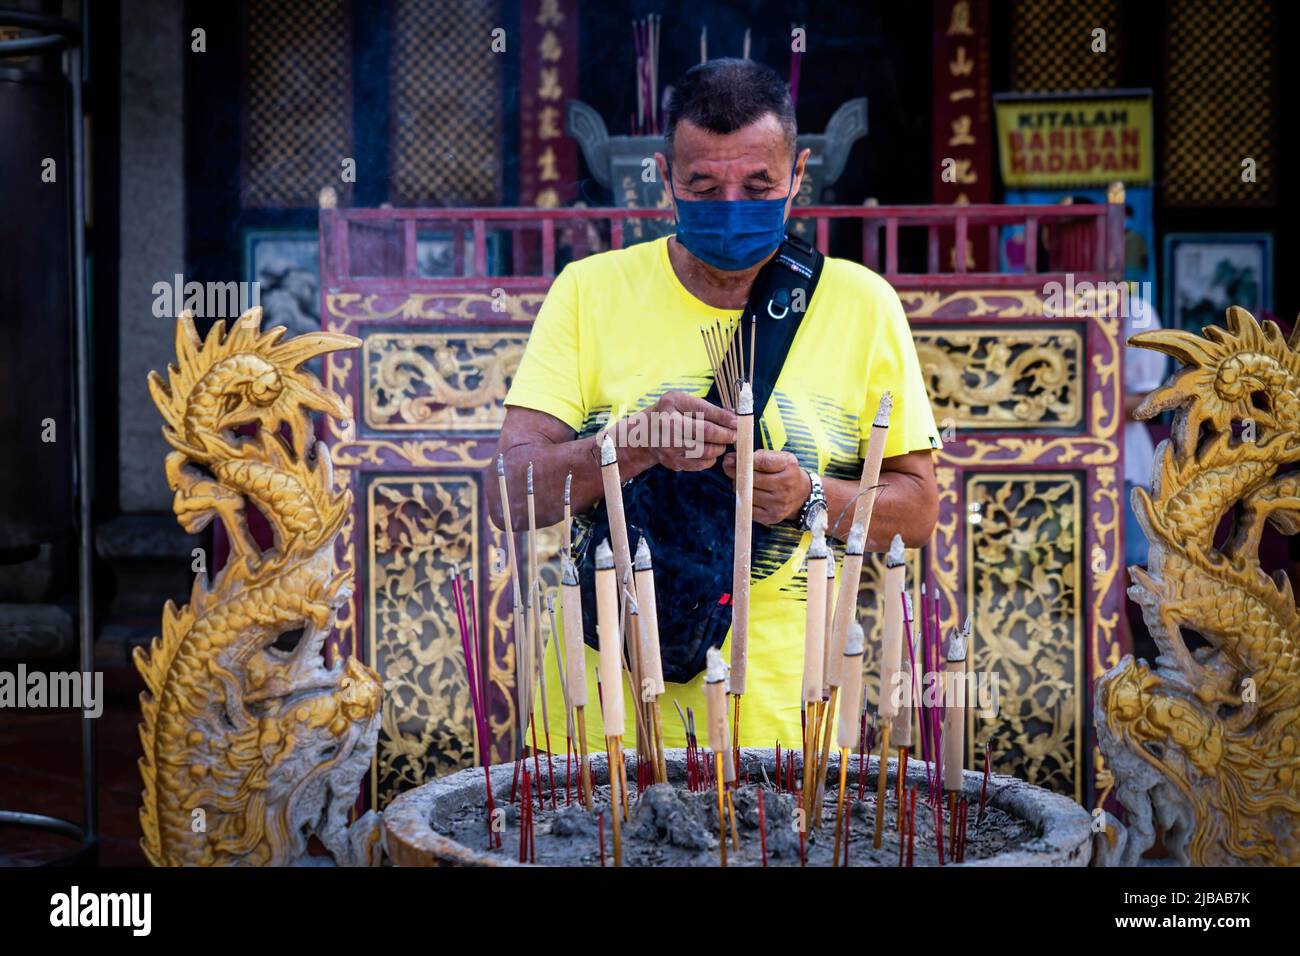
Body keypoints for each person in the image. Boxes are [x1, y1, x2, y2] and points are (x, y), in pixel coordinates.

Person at [487, 58, 941, 749]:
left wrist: (807, 495)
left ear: (798, 175)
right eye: (703, 185)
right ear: (665, 176)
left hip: (791, 724)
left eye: (758, 185)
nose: (731, 205)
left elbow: (918, 512)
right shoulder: (588, 292)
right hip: (605, 720)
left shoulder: (862, 304)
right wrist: (633, 445)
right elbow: (508, 497)